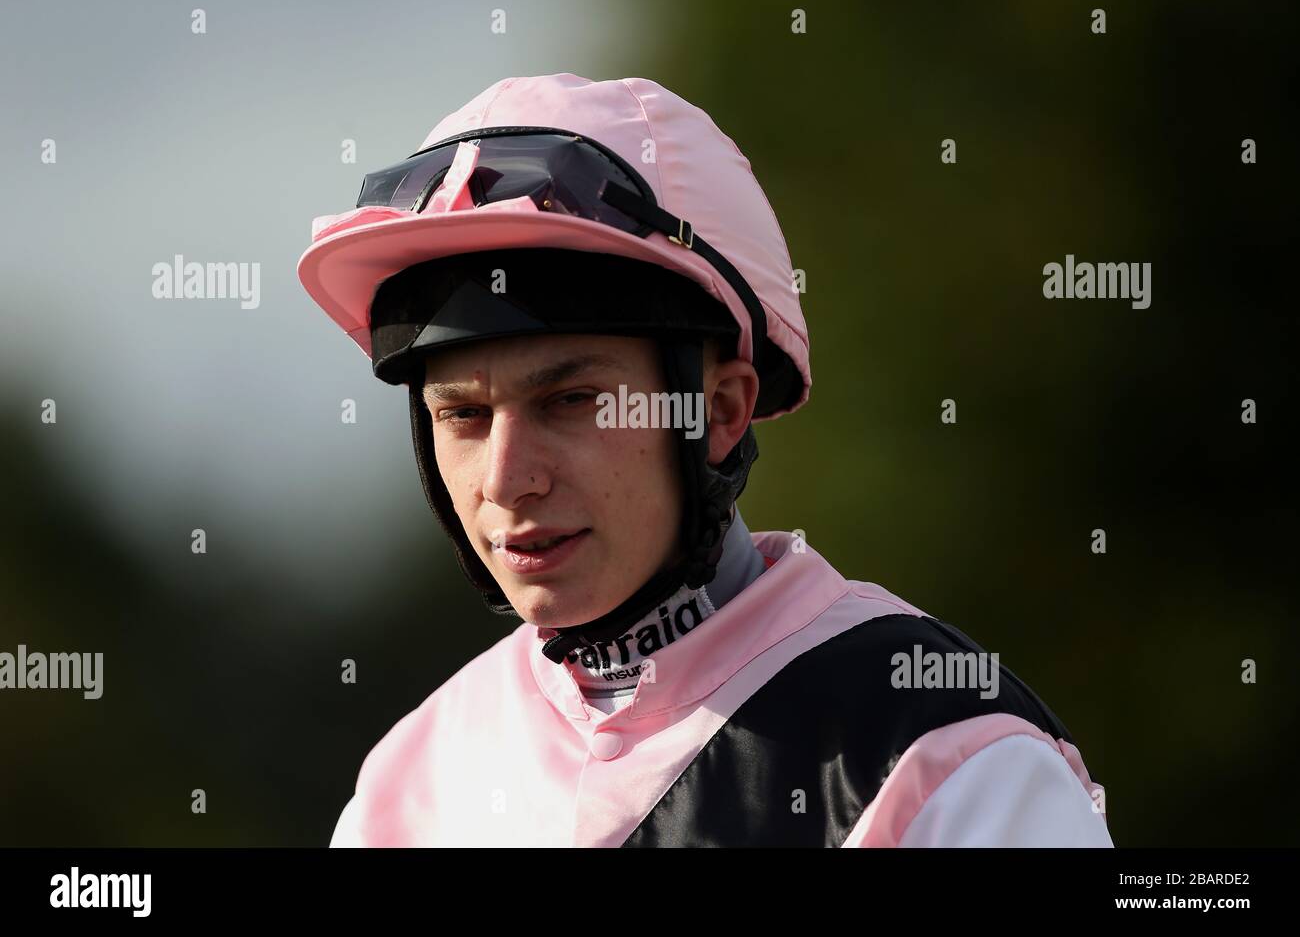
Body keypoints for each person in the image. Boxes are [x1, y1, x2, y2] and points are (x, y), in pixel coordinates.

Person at [297, 72, 1113, 847]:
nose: (508, 479)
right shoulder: (407, 789)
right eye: (464, 415)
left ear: (718, 412)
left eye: (570, 402)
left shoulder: (940, 751)